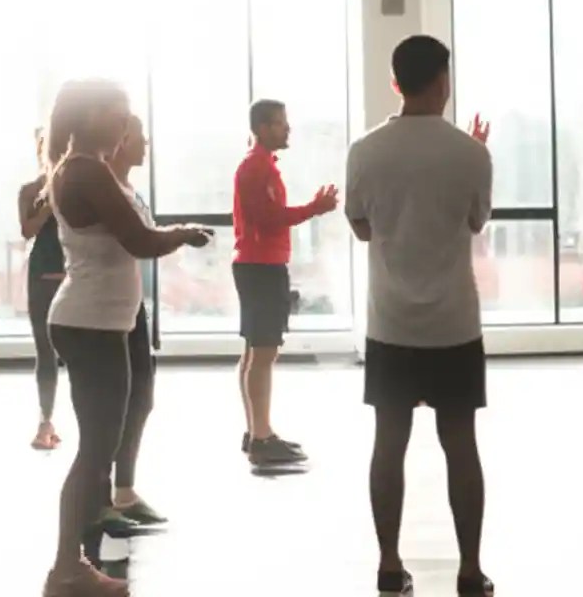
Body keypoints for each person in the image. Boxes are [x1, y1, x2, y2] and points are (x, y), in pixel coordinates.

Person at [42, 79, 211, 597]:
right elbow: (138, 240)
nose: (125, 125)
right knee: (96, 449)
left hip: (97, 320)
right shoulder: (87, 169)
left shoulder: (81, 166)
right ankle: (65, 568)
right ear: (90, 116)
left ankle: (72, 563)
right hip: (90, 322)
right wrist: (182, 233)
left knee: (101, 446)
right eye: (119, 114)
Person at [345, 35, 494, 596]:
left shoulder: (365, 150)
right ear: (443, 81)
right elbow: (476, 223)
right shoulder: (471, 153)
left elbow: (361, 225)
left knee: (389, 442)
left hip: (391, 323)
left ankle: (388, 563)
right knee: (461, 443)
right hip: (454, 322)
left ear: (395, 82)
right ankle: (470, 571)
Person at [231, 98, 338, 465]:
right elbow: (268, 218)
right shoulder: (254, 168)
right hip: (260, 267)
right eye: (279, 123)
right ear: (262, 128)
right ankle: (261, 437)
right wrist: (314, 208)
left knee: (254, 352)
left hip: (258, 265)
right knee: (263, 352)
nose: (287, 128)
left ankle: (257, 432)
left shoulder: (260, 167)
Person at [101, 113, 165, 526]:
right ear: (121, 141)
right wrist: (180, 234)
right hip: (108, 312)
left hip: (134, 307)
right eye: (140, 137)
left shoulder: (129, 191)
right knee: (112, 405)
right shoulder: (105, 191)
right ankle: (102, 497)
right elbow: (140, 242)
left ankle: (124, 491)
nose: (147, 143)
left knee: (141, 397)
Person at [19, 128, 65, 450]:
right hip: (42, 277)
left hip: (76, 276)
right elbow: (27, 230)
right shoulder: (30, 190)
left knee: (82, 356)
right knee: (45, 351)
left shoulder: (78, 188)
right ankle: (45, 421)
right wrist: (47, 205)